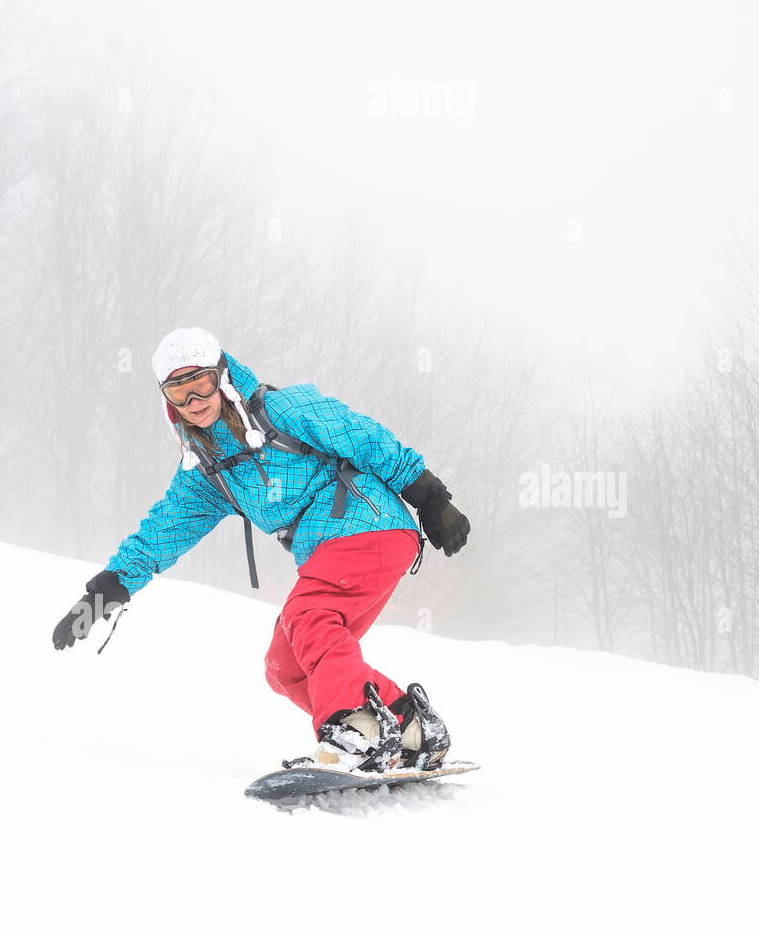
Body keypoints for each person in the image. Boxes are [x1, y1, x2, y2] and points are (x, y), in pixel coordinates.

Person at [51, 327, 470, 772]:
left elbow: (360, 434)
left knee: (309, 617)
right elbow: (160, 533)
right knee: (286, 665)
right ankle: (410, 730)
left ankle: (353, 731)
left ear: (223, 378)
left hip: (370, 524)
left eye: (201, 385)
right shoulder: (207, 473)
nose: (195, 402)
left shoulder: (279, 411)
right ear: (167, 402)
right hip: (331, 550)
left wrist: (429, 495)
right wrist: (104, 592)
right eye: (179, 393)